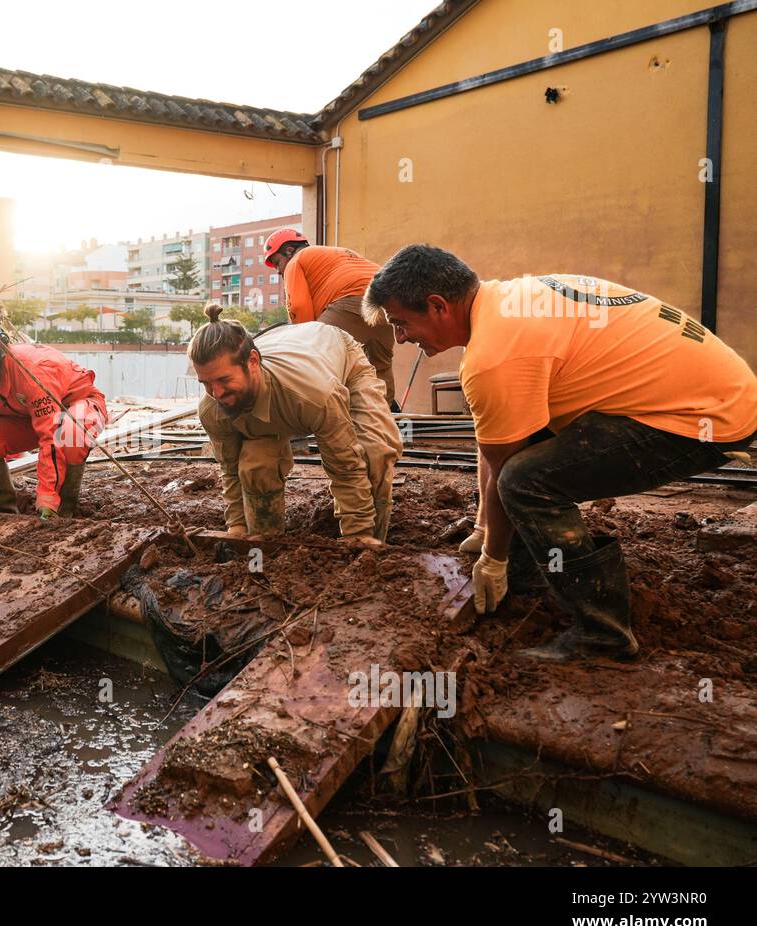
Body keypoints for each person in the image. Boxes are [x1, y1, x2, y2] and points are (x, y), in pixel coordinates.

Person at [363, 244, 757, 661]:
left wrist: (492, 557)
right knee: (524, 459)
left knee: (527, 482)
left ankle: (601, 635)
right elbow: (496, 441)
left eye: (401, 323)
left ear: (438, 305)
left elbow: (504, 473)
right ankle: (529, 569)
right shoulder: (508, 304)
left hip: (705, 417)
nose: (400, 338)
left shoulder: (494, 357)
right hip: (719, 390)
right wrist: (483, 529)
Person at [191, 303, 402, 542]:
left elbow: (345, 464)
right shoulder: (212, 409)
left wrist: (358, 534)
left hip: (339, 355)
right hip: (288, 356)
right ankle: (265, 541)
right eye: (205, 383)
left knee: (374, 451)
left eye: (224, 380)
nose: (216, 392)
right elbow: (230, 469)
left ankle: (372, 541)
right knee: (256, 467)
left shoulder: (314, 394)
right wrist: (237, 526)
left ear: (252, 362)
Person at [0, 316, 106, 520]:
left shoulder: (31, 374)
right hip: (27, 415)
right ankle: (7, 512)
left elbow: (51, 438)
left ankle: (61, 512)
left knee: (69, 433)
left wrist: (47, 496)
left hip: (81, 406)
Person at [264, 228, 399, 409]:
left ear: (289, 250)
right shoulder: (336, 253)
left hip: (349, 302)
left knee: (316, 364)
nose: (279, 271)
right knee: (379, 368)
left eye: (277, 263)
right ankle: (384, 417)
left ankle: (323, 418)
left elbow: (298, 306)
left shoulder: (296, 261)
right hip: (386, 304)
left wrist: (303, 343)